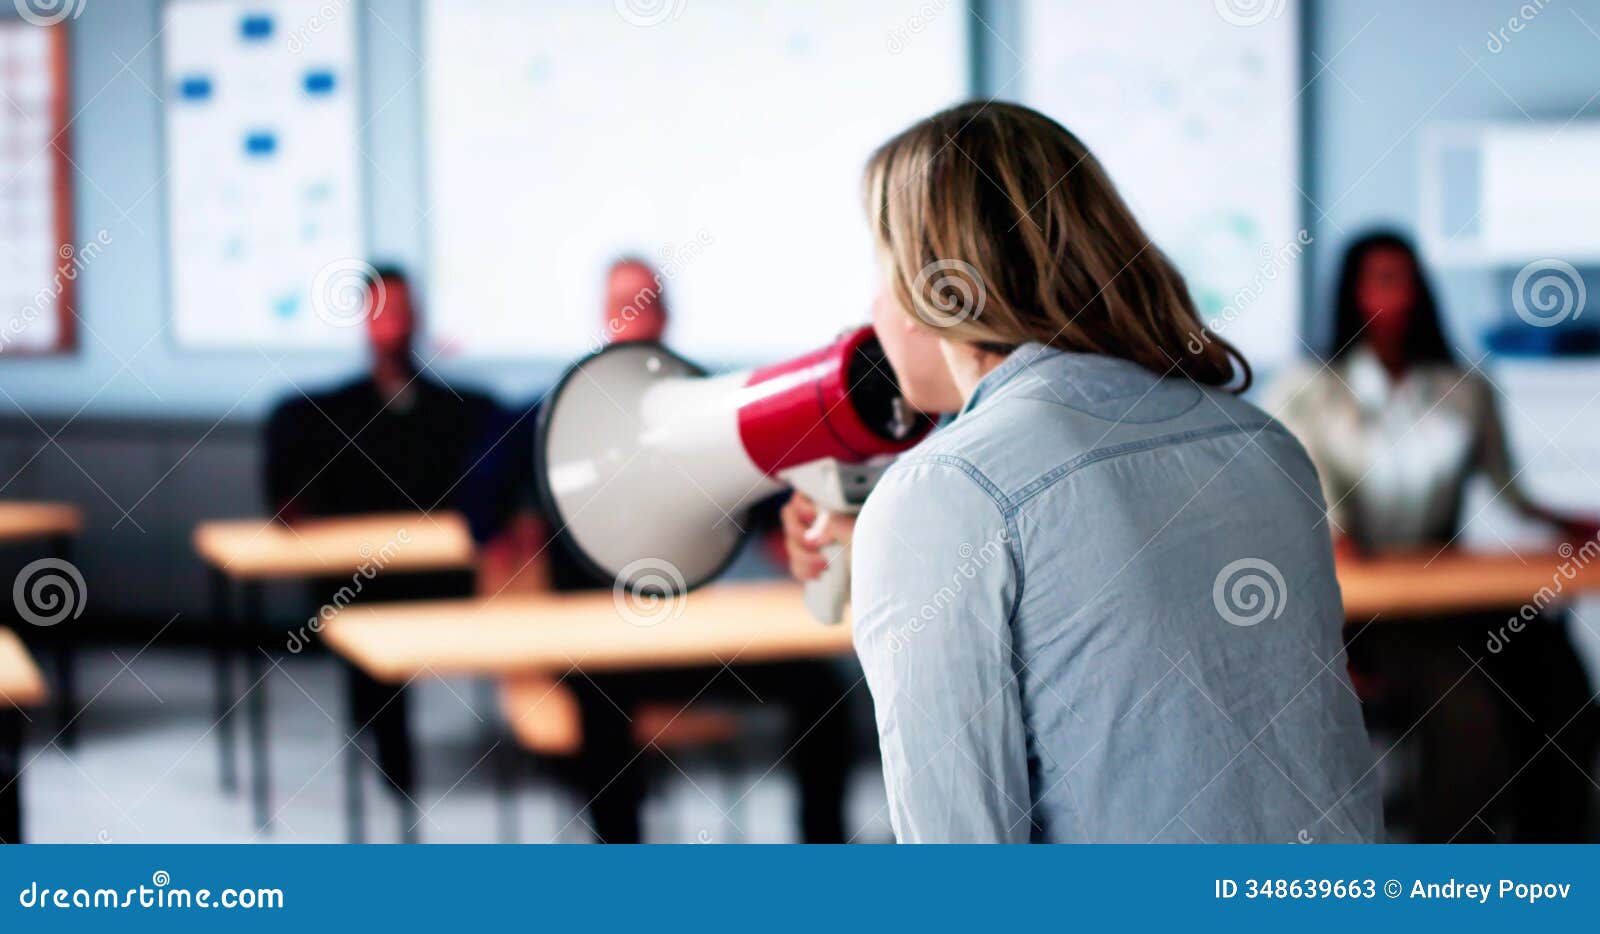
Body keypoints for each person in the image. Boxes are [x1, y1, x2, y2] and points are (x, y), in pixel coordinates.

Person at [786, 101, 1381, 843]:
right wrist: (896, 548)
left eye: (880, 271)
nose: (870, 310)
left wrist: (908, 531)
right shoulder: (1263, 442)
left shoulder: (946, 491)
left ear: (929, 288)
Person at [463, 257, 858, 843]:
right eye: (624, 305)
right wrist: (508, 529)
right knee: (601, 708)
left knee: (820, 690)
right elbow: (478, 499)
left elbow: (768, 497)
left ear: (666, 317)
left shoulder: (706, 412)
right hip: (598, 645)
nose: (637, 317)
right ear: (605, 317)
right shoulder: (555, 413)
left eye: (647, 303)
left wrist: (795, 523)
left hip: (691, 637)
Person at [1264, 231, 1600, 842]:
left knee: (1559, 676)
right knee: (1467, 710)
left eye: (1407, 278)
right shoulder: (1306, 392)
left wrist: (1570, 525)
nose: (1398, 295)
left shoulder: (1464, 388)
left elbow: (1511, 492)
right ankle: (1446, 871)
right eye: (1381, 279)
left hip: (1446, 592)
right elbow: (1312, 505)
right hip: (1363, 614)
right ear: (1351, 291)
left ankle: (1556, 853)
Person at [263, 265, 497, 826]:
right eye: (381, 311)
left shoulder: (455, 410)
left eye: (401, 310)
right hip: (361, 582)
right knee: (366, 614)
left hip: (436, 576)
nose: (393, 323)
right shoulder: (325, 415)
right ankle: (389, 749)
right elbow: (289, 494)